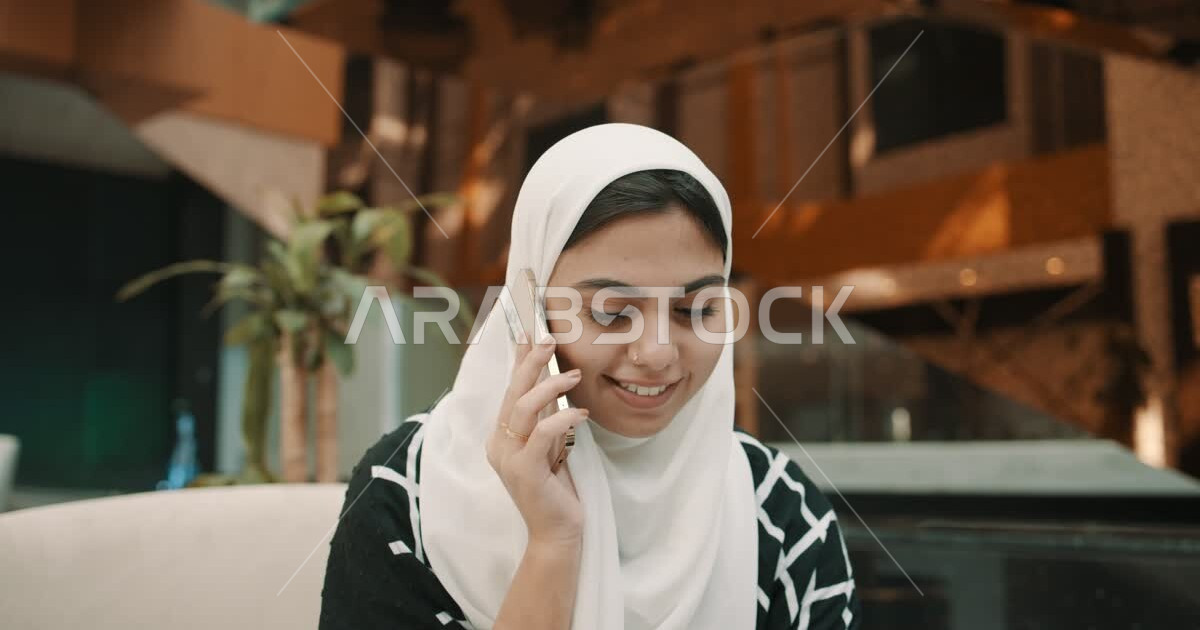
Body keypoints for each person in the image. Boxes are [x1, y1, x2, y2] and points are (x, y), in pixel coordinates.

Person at [319, 123, 860, 629]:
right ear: (532, 309)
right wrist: (553, 544)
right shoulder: (405, 494)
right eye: (610, 311)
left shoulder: (782, 511)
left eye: (695, 310)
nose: (657, 353)